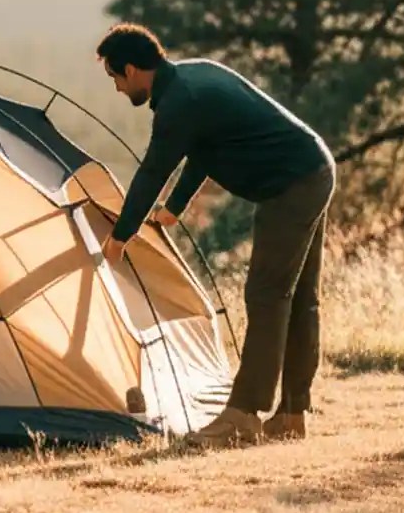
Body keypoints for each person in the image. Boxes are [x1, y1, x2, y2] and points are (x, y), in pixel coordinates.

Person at [95, 22, 336, 448]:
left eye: (113, 77)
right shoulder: (192, 78)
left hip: (293, 184)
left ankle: (243, 414)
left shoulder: (178, 102)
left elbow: (154, 170)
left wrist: (119, 237)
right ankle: (292, 414)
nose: (115, 87)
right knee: (297, 297)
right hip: (312, 167)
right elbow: (201, 150)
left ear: (131, 70)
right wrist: (173, 209)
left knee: (267, 293)